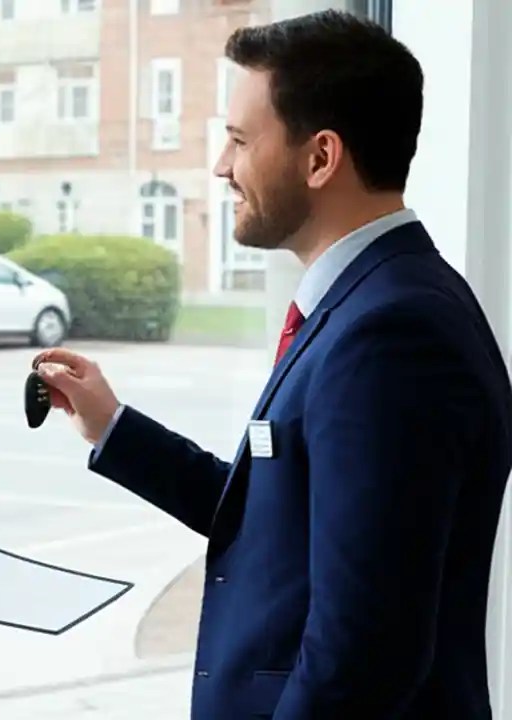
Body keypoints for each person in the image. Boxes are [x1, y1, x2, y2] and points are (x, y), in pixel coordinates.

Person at [35, 11, 512, 720]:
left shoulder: (393, 335)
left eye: (237, 141)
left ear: (321, 158)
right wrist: (115, 430)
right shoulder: (373, 301)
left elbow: (364, 652)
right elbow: (276, 521)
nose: (222, 167)